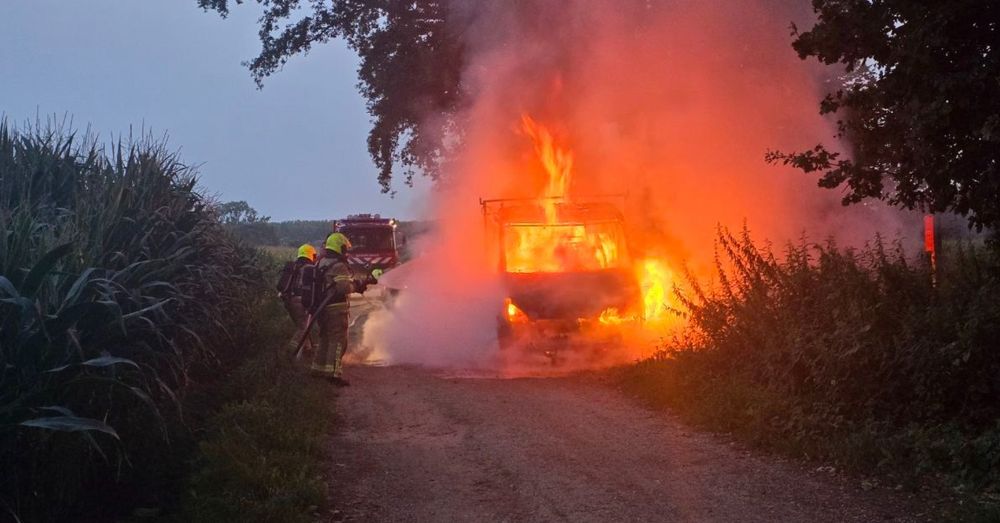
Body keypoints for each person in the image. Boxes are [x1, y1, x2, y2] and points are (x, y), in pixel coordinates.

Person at [311, 232, 356, 385]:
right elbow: (343, 288)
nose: (346, 252)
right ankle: (334, 374)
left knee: (325, 339)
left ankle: (318, 369)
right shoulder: (339, 266)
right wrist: (355, 285)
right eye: (345, 248)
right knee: (338, 341)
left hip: (322, 308)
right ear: (339, 247)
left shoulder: (321, 262)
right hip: (336, 308)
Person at [278, 243, 317, 357]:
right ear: (310, 255)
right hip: (299, 301)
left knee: (302, 326)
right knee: (303, 327)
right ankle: (290, 351)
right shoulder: (309, 268)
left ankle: (307, 350)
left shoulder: (294, 266)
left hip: (287, 300)